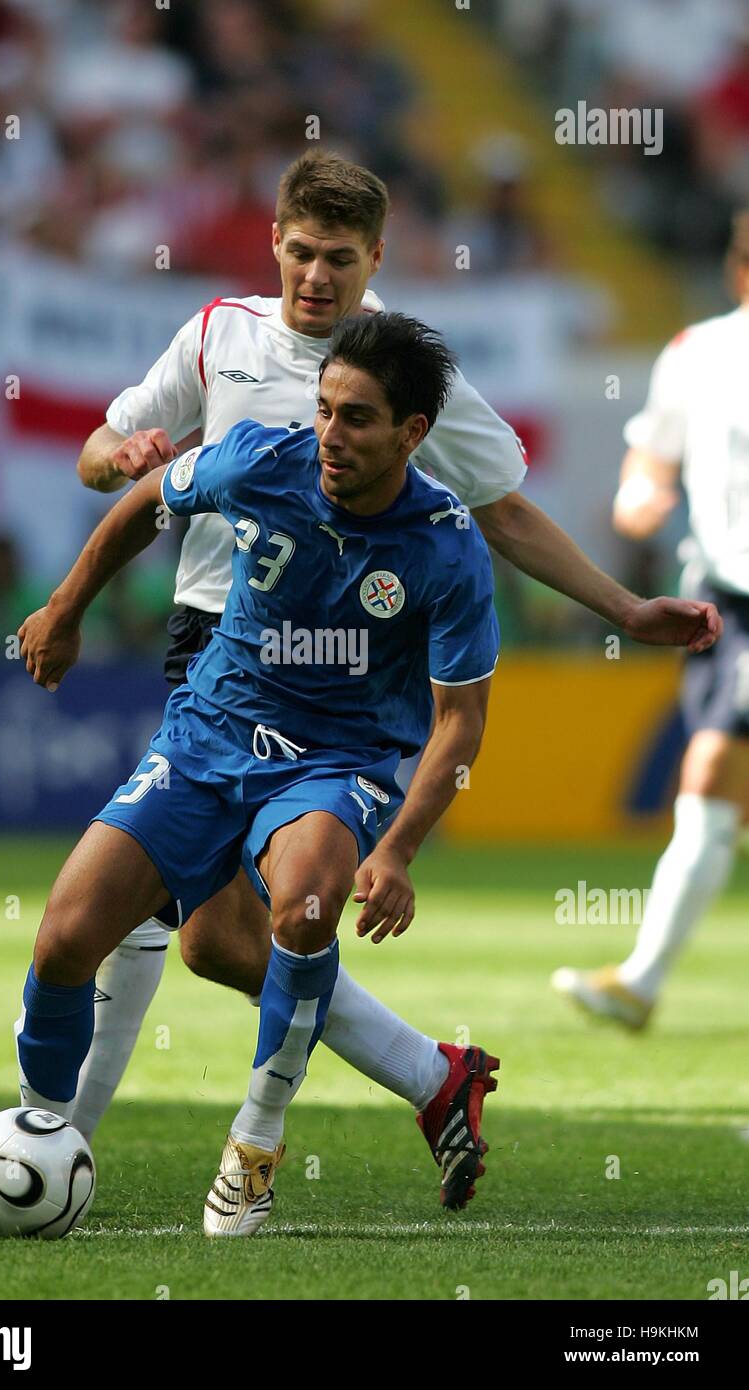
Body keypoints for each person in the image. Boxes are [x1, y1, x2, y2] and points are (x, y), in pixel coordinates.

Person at [63, 150, 720, 1157]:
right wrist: (126, 457)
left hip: (335, 670)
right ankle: (431, 1073)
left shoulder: (407, 372)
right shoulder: (216, 336)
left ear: (374, 258)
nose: (315, 277)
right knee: (215, 937)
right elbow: (103, 451)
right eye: (299, 254)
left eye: (338, 258)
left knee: (164, 917)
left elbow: (503, 510)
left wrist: (623, 606)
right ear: (272, 244)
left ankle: (60, 1140)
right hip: (211, 643)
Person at [11, 313, 499, 1235]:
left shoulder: (446, 543)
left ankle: (255, 1148)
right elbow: (143, 499)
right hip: (210, 732)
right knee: (70, 937)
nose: (328, 435)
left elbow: (459, 721)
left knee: (306, 905)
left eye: (356, 419)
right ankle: (31, 1143)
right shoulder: (255, 460)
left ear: (411, 434)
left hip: (337, 759)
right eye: (322, 410)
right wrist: (66, 607)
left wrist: (395, 852)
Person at [552, 210, 749, 1029]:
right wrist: (640, 493)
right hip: (723, 602)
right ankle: (640, 982)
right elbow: (651, 451)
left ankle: (640, 977)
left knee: (709, 771)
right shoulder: (696, 354)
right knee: (711, 790)